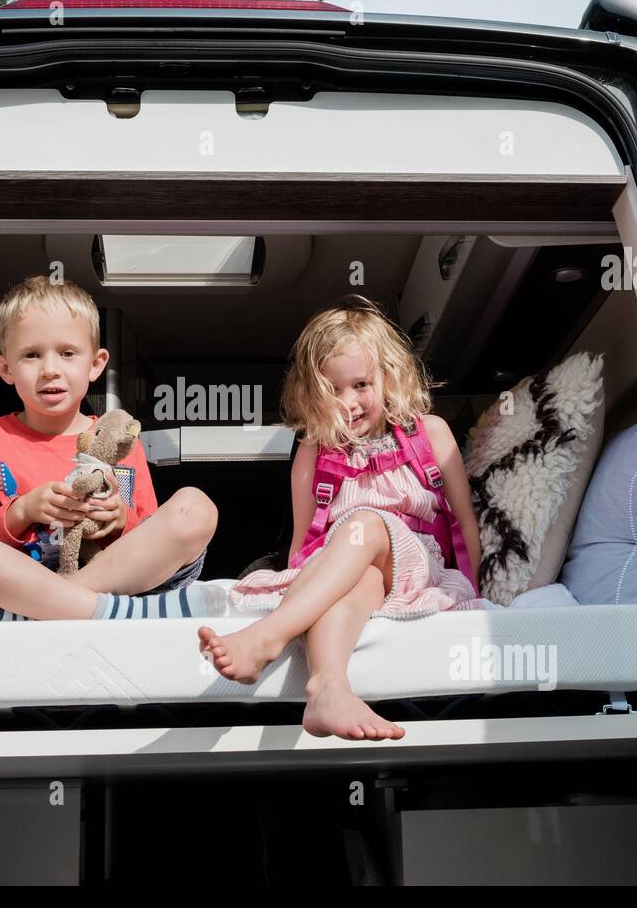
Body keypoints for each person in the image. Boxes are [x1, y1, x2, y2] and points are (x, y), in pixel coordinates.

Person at [198, 296, 484, 741]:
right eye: (332, 390)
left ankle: (267, 638)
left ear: (389, 377)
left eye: (361, 385)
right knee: (362, 575)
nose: (348, 402)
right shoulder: (314, 451)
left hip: (417, 563)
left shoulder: (430, 433)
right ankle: (326, 688)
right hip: (353, 567)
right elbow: (301, 542)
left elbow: (465, 524)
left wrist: (475, 590)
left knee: (364, 525)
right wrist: (303, 585)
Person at [0, 275, 222, 621]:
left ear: (95, 364)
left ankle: (41, 611)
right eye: (31, 355)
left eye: (67, 353)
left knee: (196, 507)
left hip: (108, 572)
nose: (50, 370)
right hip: (19, 574)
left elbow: (147, 538)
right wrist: (22, 512)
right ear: (5, 369)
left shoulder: (117, 439)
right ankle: (118, 612)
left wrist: (118, 519)